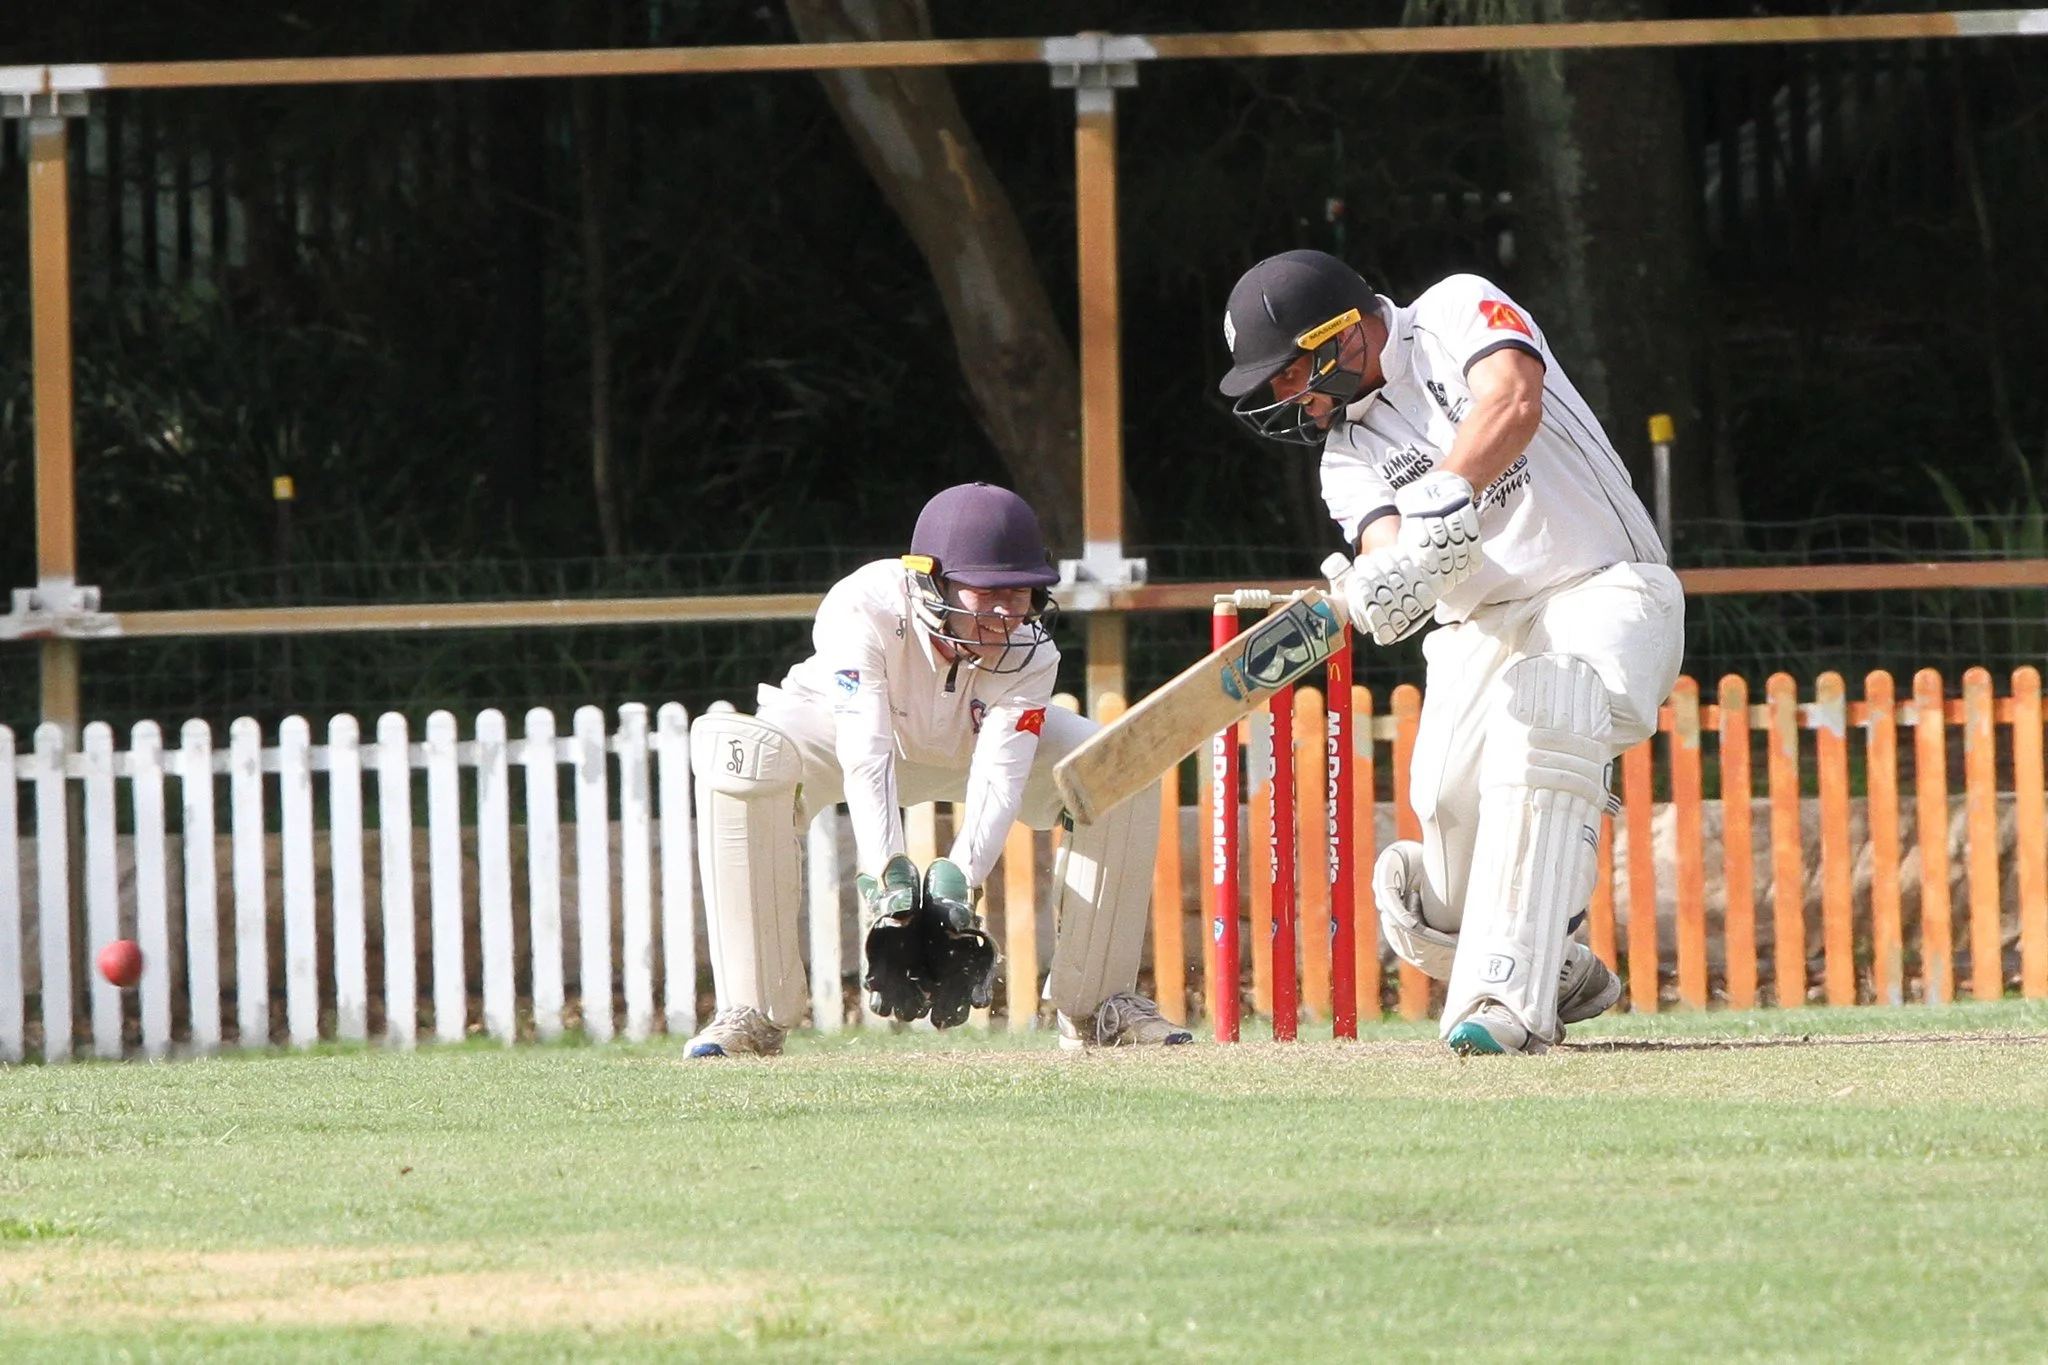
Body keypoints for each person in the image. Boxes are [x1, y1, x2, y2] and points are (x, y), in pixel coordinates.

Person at [1217, 249, 1685, 1055]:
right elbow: (1389, 546)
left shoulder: (1452, 311)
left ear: (1341, 334)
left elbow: (1513, 399)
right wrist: (1383, 584)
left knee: (1547, 730)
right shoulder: (1346, 457)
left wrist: (1445, 490)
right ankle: (1555, 958)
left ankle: (1510, 997)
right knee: (1439, 848)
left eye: (1290, 373)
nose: (1284, 395)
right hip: (1481, 630)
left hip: (1603, 584)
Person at [684, 481, 1191, 1056]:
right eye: (986, 595)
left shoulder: (1032, 654)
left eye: (1020, 593)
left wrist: (963, 878)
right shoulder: (864, 607)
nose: (1006, 617)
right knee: (745, 760)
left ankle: (1099, 1008)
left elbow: (1002, 773)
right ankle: (750, 1012)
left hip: (967, 741)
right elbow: (866, 748)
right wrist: (886, 877)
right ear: (931, 581)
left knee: (1116, 773)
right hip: (836, 731)